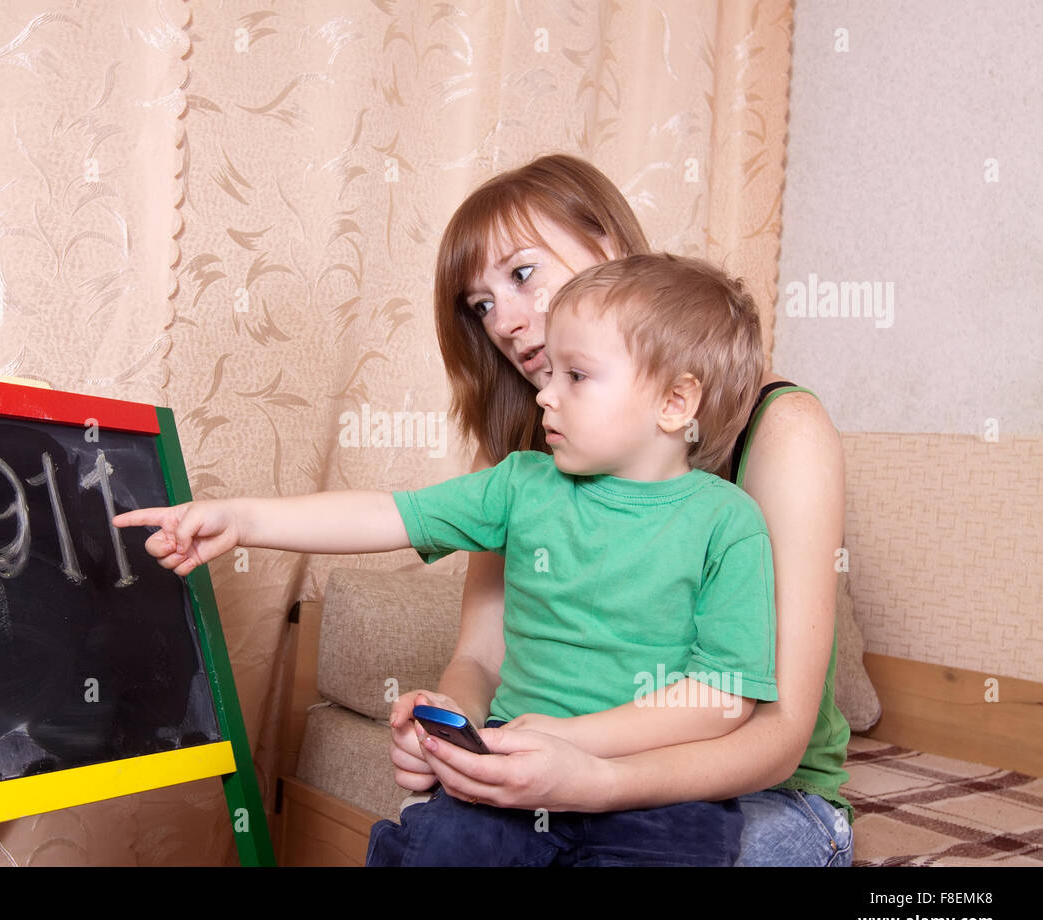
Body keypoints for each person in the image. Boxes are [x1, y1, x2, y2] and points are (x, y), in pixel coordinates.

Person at [114, 252, 778, 866]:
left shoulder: (728, 523)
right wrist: (245, 517)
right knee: (432, 844)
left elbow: (722, 698)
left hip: (654, 797)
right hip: (508, 764)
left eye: (576, 377)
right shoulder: (520, 484)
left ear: (675, 403)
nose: (545, 395)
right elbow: (391, 512)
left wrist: (575, 744)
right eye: (549, 374)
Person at [396, 154, 852, 867]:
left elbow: (777, 733)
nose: (507, 324)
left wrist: (592, 780)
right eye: (480, 306)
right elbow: (481, 659)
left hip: (760, 787)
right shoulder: (534, 456)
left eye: (522, 275)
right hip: (576, 758)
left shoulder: (782, 428)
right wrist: (459, 740)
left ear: (610, 250)